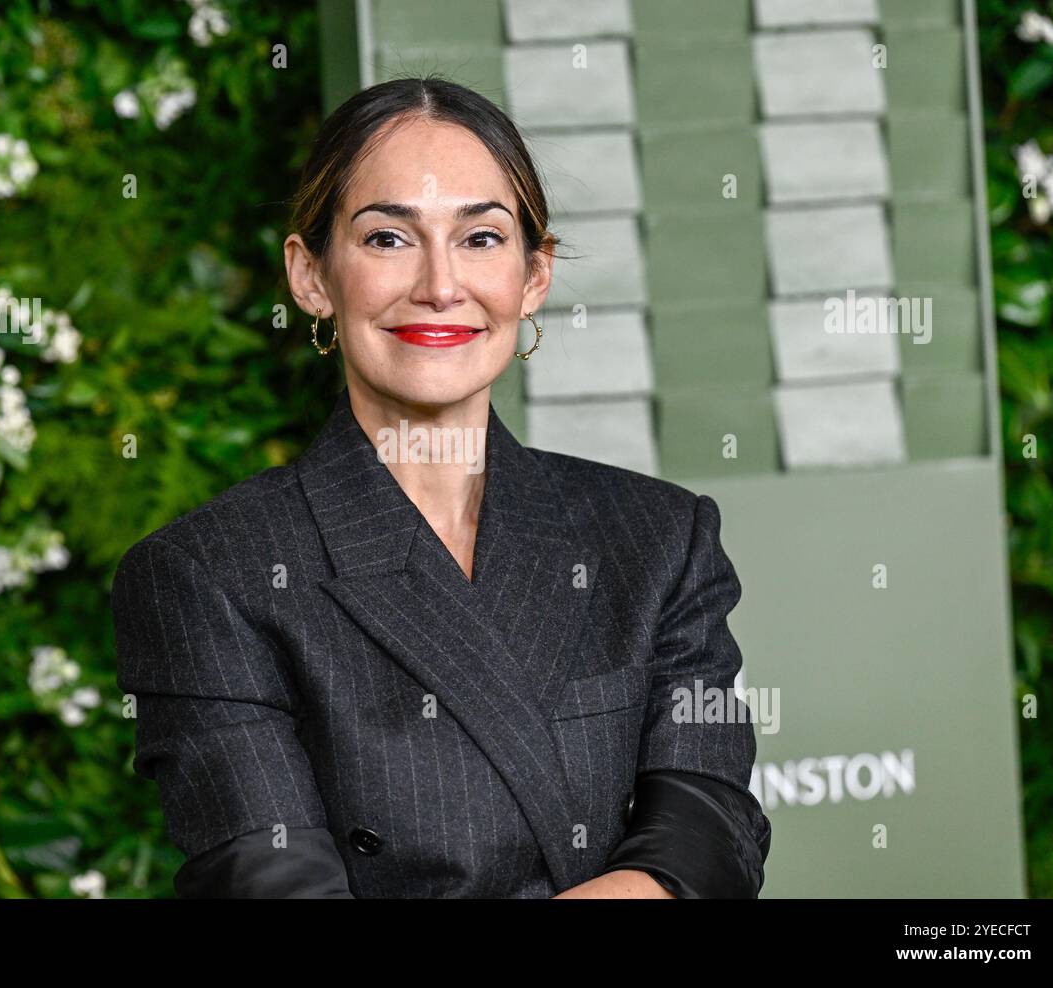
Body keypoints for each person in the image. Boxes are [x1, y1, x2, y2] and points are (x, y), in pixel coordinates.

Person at [111, 76, 771, 898]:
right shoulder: (208, 575)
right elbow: (274, 883)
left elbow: (706, 828)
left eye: (481, 239)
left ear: (534, 277)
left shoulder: (659, 538)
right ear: (311, 275)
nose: (439, 285)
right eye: (388, 238)